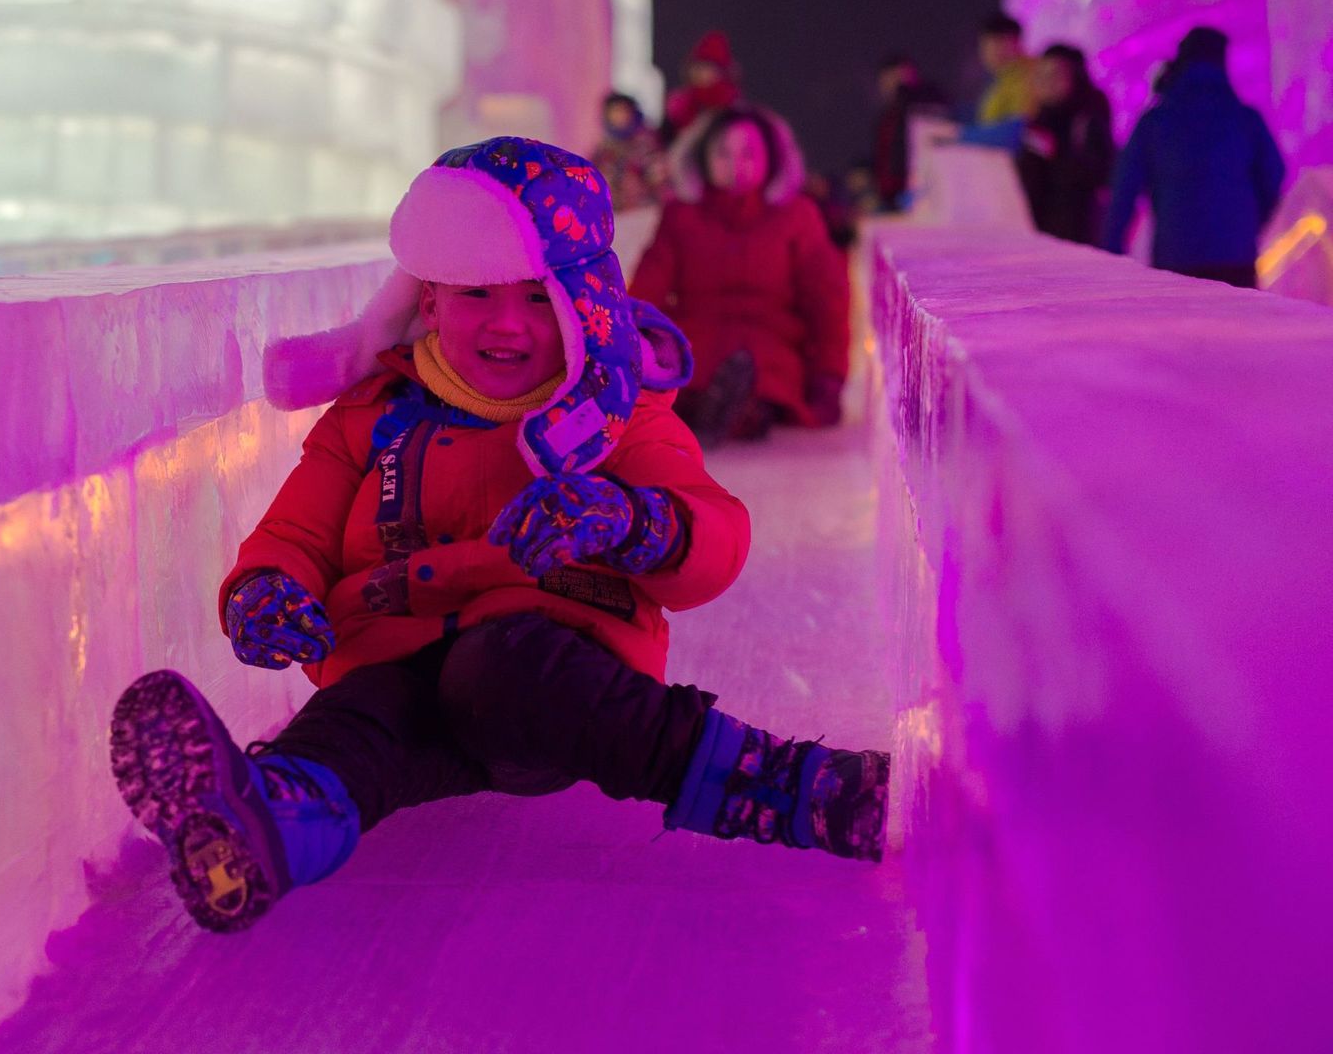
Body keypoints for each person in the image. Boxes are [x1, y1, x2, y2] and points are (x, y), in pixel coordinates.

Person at [108, 137, 891, 933]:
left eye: (537, 298)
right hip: (392, 651)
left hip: (548, 669)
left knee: (506, 668)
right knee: (359, 720)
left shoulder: (614, 419)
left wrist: (628, 522)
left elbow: (713, 533)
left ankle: (790, 788)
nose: (508, 325)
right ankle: (269, 822)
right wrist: (266, 590)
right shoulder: (372, 412)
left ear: (581, 303)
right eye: (477, 296)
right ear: (430, 302)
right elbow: (295, 531)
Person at [628, 106, 852, 446]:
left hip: (769, 347)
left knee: (760, 377)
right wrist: (628, 351)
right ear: (703, 157)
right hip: (694, 341)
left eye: (749, 153)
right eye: (723, 153)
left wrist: (828, 378)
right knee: (686, 374)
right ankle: (704, 407)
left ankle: (741, 409)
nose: (735, 164)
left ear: (771, 159)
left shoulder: (797, 217)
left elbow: (827, 302)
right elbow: (647, 290)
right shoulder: (680, 217)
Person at [1102, 27, 1287, 288]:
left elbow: (1125, 186)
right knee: (1239, 326)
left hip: (1176, 254)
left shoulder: (1156, 121)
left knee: (1182, 328)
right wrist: (1252, 223)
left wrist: (1113, 246)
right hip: (1236, 255)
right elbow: (1274, 174)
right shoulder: (1245, 118)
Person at [1017, 43, 1117, 245]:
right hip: (1038, 237)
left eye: (1055, 75)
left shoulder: (1087, 120)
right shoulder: (1037, 122)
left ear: (1076, 78)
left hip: (1079, 241)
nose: (1047, 82)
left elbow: (1102, 174)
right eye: (1041, 75)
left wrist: (1056, 153)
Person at [870, 53, 950, 212]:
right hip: (890, 195)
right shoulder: (886, 119)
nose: (896, 83)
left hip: (916, 192)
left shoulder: (926, 106)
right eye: (889, 78)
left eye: (901, 77)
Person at [958, 13, 1036, 151]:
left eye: (996, 45)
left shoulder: (1030, 78)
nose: (987, 54)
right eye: (984, 47)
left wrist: (962, 136)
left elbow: (1017, 131)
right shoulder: (1003, 78)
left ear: (1016, 43)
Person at [662, 30, 741, 142]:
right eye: (698, 67)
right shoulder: (678, 105)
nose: (702, 74)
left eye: (709, 68)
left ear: (722, 73)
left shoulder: (730, 109)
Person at [592, 91, 665, 211]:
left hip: (645, 211)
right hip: (616, 215)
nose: (619, 116)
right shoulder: (603, 149)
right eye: (614, 112)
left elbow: (658, 177)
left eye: (623, 110)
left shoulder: (646, 141)